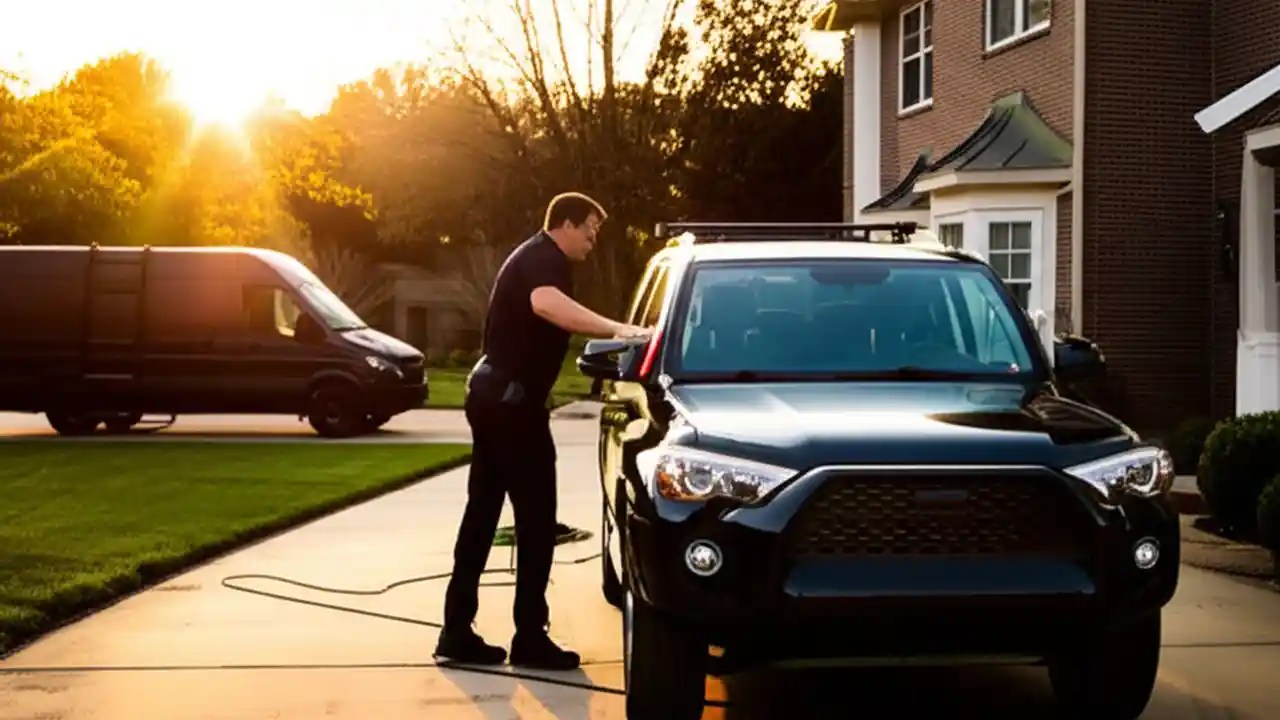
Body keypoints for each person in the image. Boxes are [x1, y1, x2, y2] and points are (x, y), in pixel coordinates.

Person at [434, 192, 650, 670]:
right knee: (536, 520)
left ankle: (456, 630)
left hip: (494, 399)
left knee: (482, 514)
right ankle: (530, 638)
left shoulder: (535, 256)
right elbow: (547, 304)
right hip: (512, 408)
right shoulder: (544, 259)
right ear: (566, 224)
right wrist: (618, 330)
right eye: (590, 228)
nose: (593, 238)